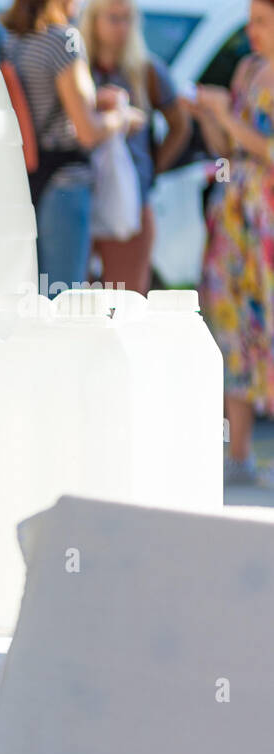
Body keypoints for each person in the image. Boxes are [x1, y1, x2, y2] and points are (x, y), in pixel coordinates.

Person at [2, 0, 146, 291]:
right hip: (65, 183)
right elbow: (87, 132)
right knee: (64, 295)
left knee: (33, 290)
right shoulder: (64, 40)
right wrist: (122, 118)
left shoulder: (14, 41)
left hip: (26, 180)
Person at [192, 0, 274, 485]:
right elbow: (227, 150)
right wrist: (210, 117)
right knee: (233, 326)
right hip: (234, 219)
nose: (251, 30)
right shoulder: (247, 68)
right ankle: (239, 457)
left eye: (262, 20)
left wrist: (227, 116)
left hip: (266, 224)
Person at [80, 0, 192, 294]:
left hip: (132, 198)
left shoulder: (147, 70)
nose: (122, 27)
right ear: (94, 21)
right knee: (76, 300)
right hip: (82, 193)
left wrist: (154, 169)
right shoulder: (78, 69)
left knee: (126, 300)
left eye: (127, 19)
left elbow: (180, 125)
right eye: (113, 18)